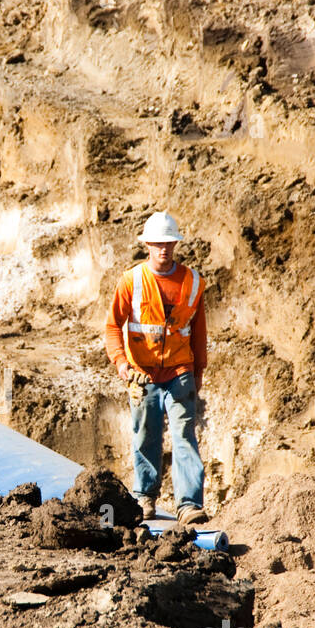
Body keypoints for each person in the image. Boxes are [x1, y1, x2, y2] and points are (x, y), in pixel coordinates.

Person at [103, 211, 208, 524]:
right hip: (142, 373)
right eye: (158, 243)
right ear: (147, 244)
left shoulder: (192, 282)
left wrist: (198, 372)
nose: (164, 248)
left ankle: (188, 505)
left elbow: (199, 332)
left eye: (169, 242)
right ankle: (145, 498)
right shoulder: (132, 281)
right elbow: (112, 327)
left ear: (176, 244)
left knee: (184, 436)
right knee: (146, 434)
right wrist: (121, 363)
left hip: (180, 372)